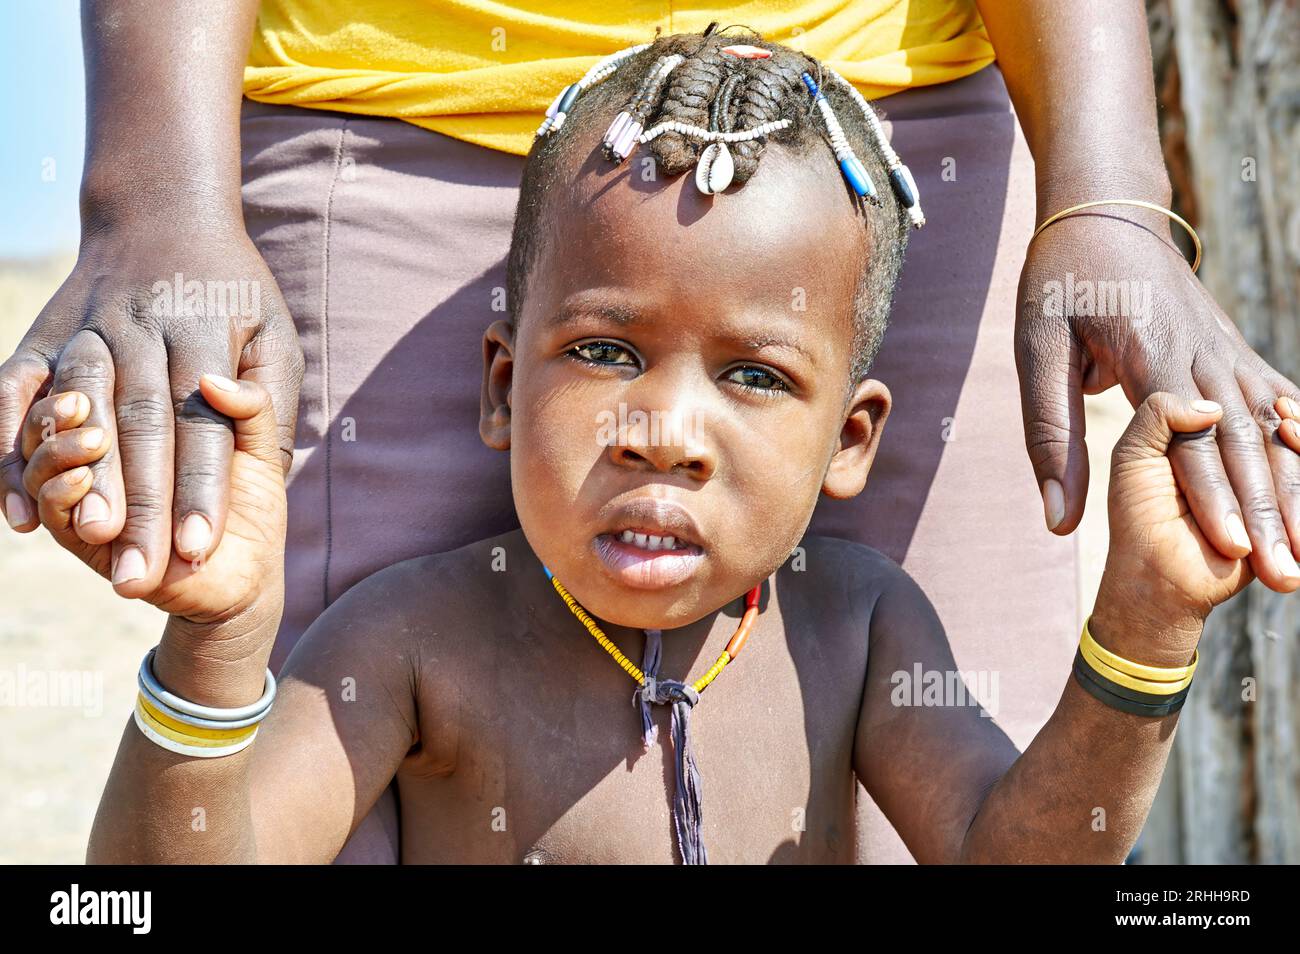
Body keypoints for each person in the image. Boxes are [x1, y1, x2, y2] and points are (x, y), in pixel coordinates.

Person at [4, 1, 1298, 863]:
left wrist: (1145, 622)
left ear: (854, 438)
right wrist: (213, 641)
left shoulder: (862, 631)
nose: (665, 433)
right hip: (374, 88)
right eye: (608, 351)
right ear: (500, 384)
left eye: (752, 374)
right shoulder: (409, 645)